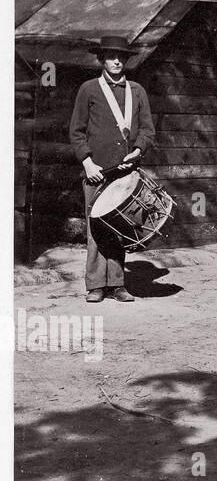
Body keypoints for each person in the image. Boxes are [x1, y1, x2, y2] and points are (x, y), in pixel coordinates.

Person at [70, 36, 157, 302]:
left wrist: (139, 150)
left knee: (120, 226)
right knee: (96, 227)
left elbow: (147, 130)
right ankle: (96, 285)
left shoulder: (137, 91)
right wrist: (87, 162)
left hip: (125, 172)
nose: (116, 61)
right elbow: (77, 131)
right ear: (101, 60)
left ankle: (118, 284)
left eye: (121, 56)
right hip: (97, 171)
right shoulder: (89, 89)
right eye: (110, 56)